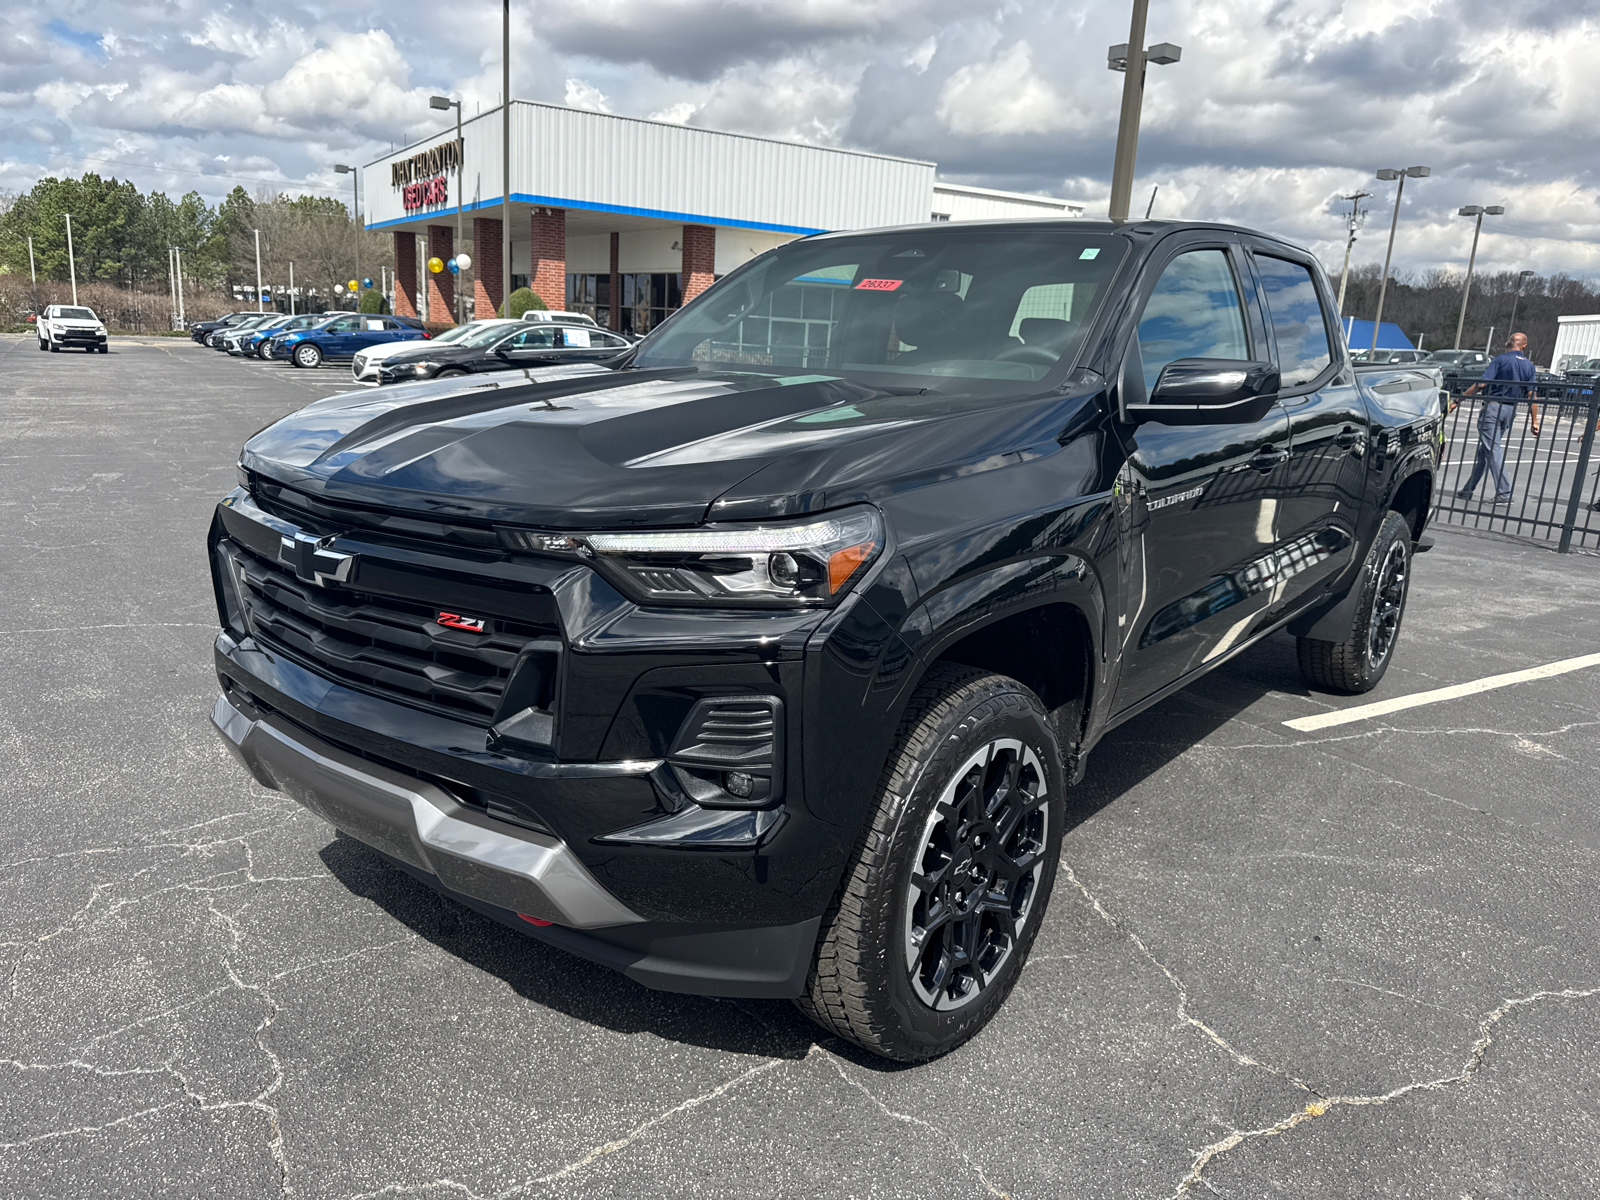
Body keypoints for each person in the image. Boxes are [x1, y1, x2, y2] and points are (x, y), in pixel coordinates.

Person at [1457, 333, 1536, 505]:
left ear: (1508, 343)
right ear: (1524, 346)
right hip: (1510, 410)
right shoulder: (1529, 366)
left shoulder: (1500, 360)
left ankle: (1504, 492)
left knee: (1492, 450)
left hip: (1494, 407)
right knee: (1485, 451)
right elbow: (1532, 394)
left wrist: (1458, 399)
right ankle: (1468, 489)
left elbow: (1482, 384)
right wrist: (1534, 421)